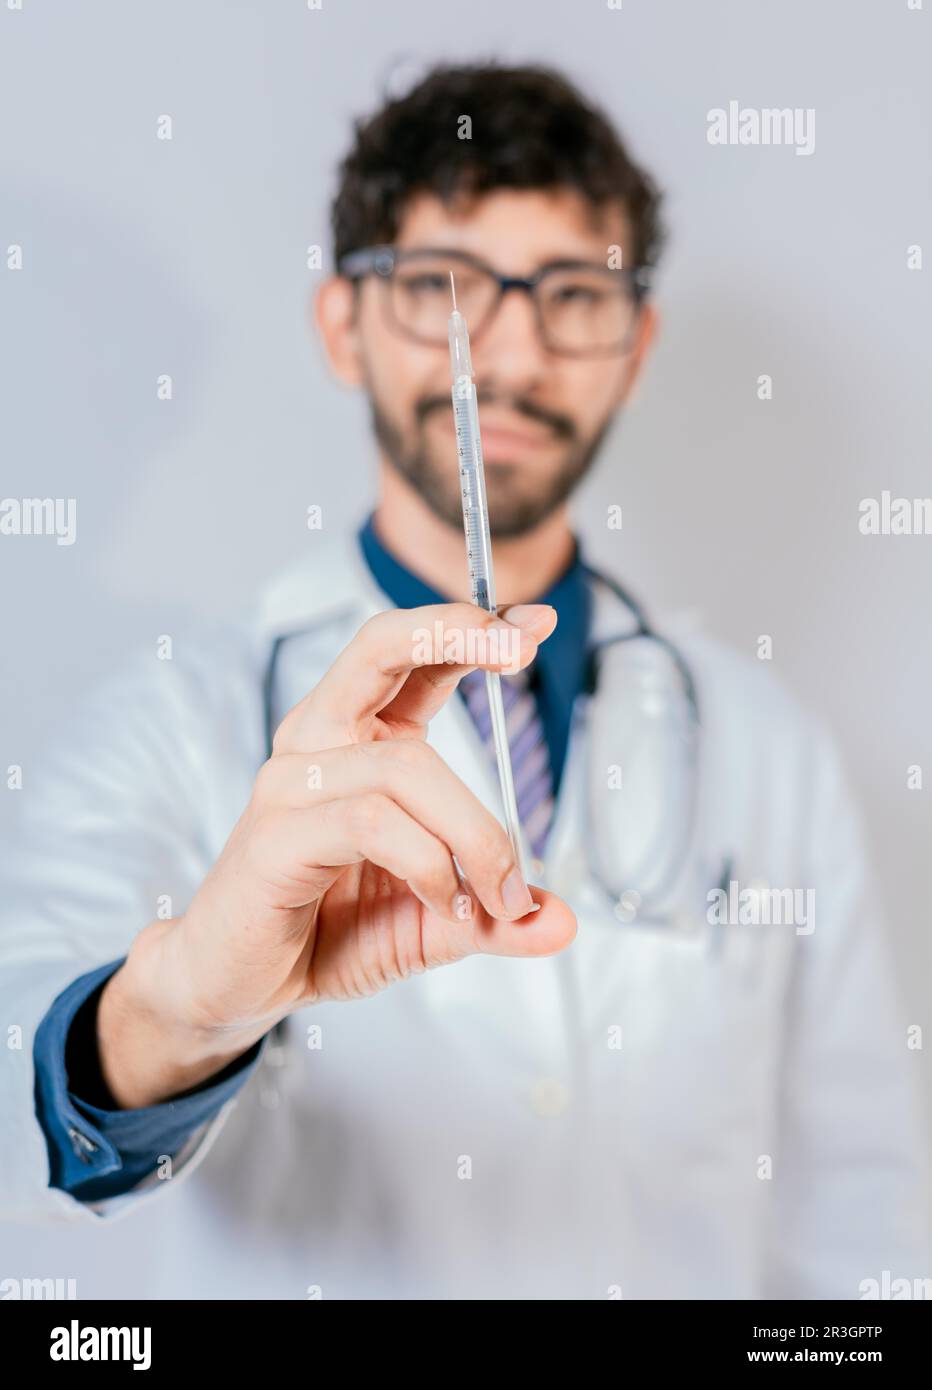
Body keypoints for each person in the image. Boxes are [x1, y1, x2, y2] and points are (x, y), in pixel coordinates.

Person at [2, 63, 927, 1300]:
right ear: (343, 325)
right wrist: (181, 1010)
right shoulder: (169, 723)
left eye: (573, 294)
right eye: (447, 288)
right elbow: (28, 1123)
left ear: (635, 346)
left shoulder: (766, 749)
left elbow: (860, 1216)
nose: (512, 353)